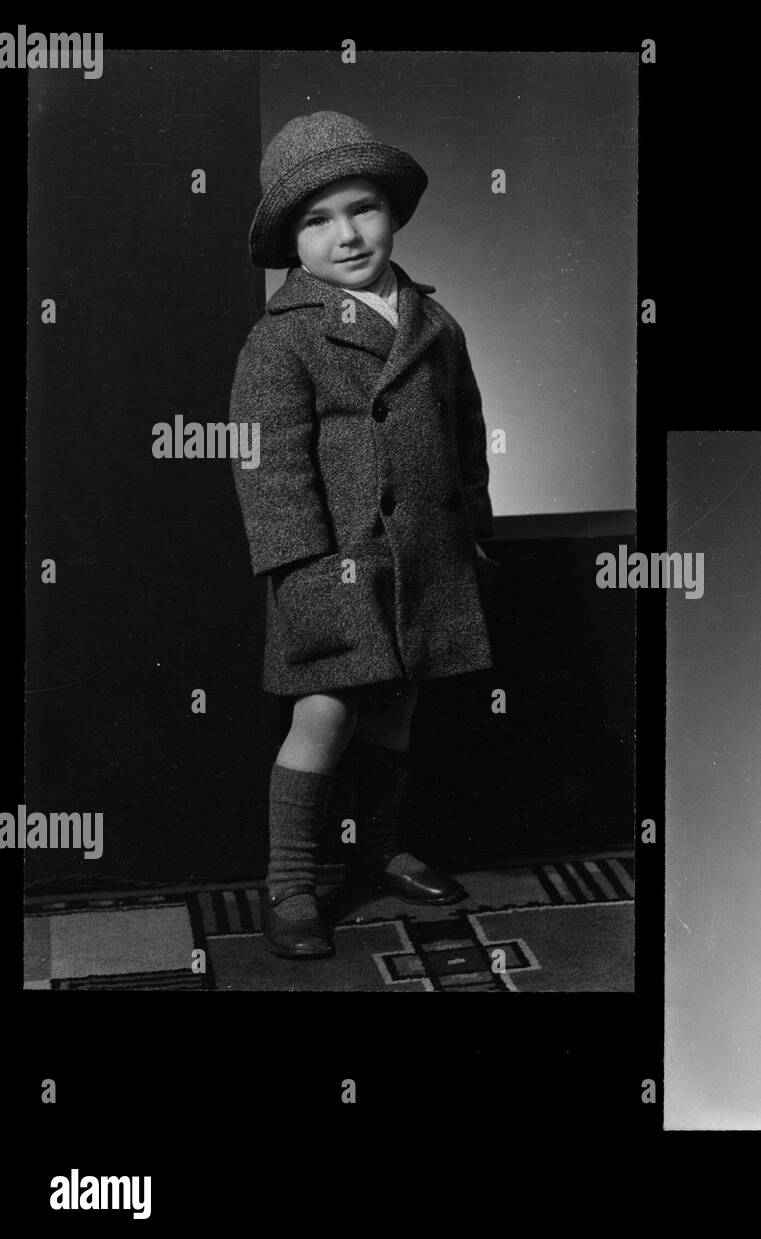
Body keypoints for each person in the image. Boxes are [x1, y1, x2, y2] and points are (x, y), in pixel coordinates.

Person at [228, 111, 499, 959]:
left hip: (427, 555)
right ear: (291, 241)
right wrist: (302, 569)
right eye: (317, 220)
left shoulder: (435, 323)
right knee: (327, 711)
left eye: (363, 208)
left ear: (393, 213)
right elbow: (268, 466)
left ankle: (378, 847)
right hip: (333, 564)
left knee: (398, 706)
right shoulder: (282, 337)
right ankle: (290, 881)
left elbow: (466, 439)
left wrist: (475, 534)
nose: (345, 235)